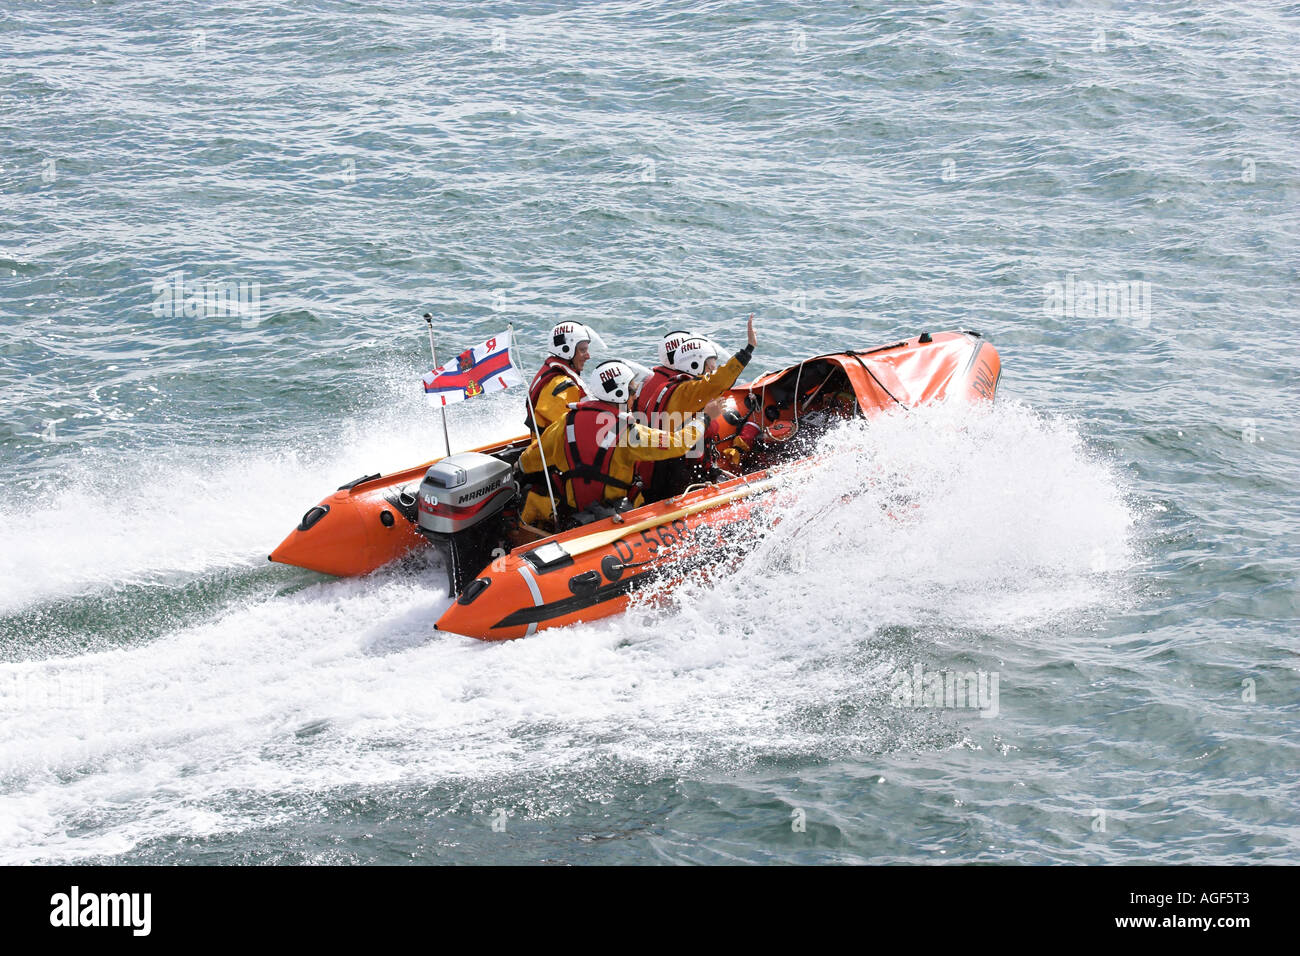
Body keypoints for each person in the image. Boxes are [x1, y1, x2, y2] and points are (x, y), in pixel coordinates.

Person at [518, 359, 707, 526]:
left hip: (573, 513)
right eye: (632, 391)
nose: (635, 397)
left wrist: (519, 467)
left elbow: (529, 461)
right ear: (619, 393)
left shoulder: (565, 422)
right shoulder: (628, 432)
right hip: (615, 518)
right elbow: (678, 444)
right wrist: (702, 420)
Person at [632, 314, 758, 501]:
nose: (712, 372)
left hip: (655, 467)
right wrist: (748, 350)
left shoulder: (658, 383)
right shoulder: (687, 391)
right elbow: (717, 382)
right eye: (710, 368)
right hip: (679, 475)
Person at [525, 322, 603, 432]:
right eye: (583, 350)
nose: (588, 356)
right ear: (566, 350)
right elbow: (564, 435)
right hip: (553, 448)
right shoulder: (563, 387)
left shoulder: (553, 375)